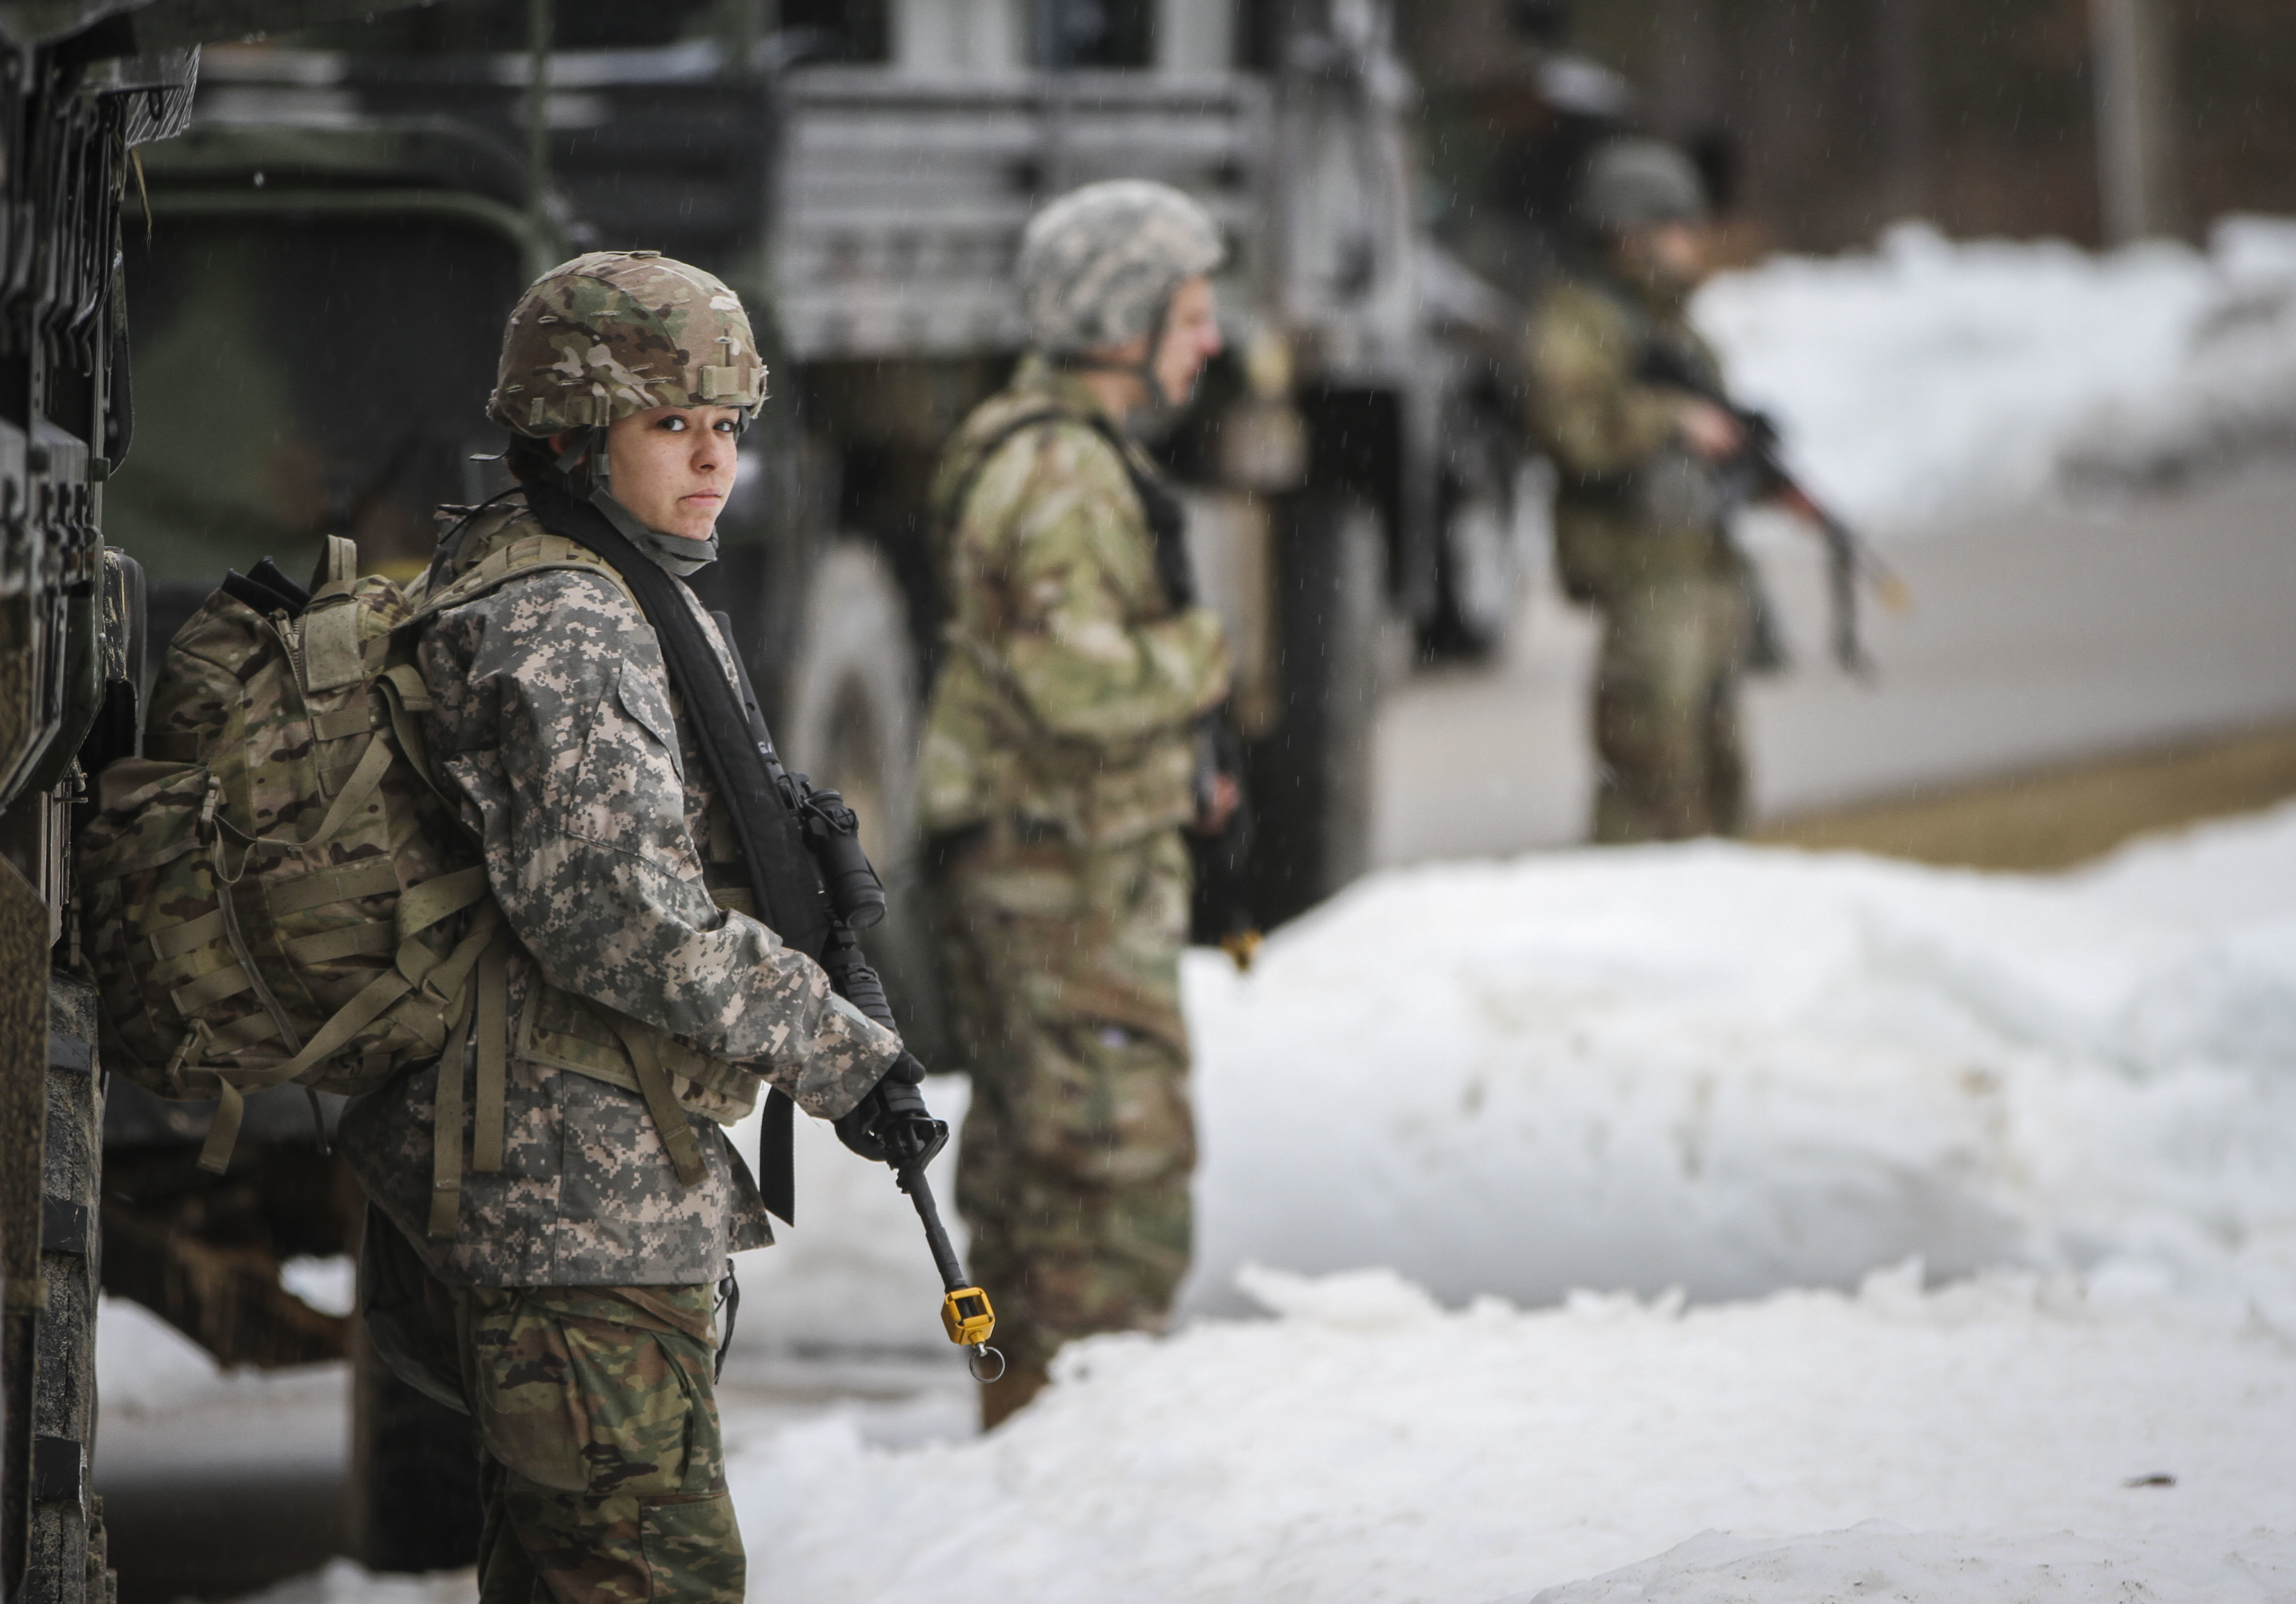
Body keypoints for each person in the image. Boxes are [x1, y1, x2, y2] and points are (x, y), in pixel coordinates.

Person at [337, 250, 908, 1604]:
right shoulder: (567, 620)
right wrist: (839, 1055)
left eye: (727, 428)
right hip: (568, 1209)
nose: (712, 463)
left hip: (579, 1196)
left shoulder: (586, 581)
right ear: (571, 435)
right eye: (671, 425)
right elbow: (617, 916)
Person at [919, 180, 1235, 1428]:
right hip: (1062, 878)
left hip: (1051, 862)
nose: (1209, 340)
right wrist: (1204, 657)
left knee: (1037, 1168)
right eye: (1192, 313)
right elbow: (1073, 682)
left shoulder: (1046, 445)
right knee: (1110, 1175)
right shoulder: (1061, 473)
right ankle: (1084, 1453)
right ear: (1123, 320)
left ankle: (1032, 1434)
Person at [1523, 137, 1760, 843]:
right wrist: (1672, 420)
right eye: (1677, 229)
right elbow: (1571, 428)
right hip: (1643, 581)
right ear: (1632, 233)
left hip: (1700, 577)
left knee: (1718, 778)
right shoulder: (1582, 322)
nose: (1692, 246)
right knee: (1650, 783)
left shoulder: (1671, 329)